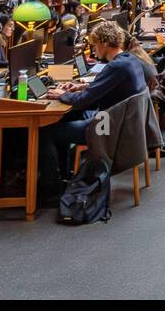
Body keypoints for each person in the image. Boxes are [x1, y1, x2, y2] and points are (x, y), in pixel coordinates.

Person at [40, 22, 147, 198]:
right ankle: (65, 177)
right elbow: (102, 88)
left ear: (105, 43)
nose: (93, 50)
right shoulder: (129, 60)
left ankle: (51, 189)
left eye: (95, 45)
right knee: (68, 118)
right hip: (122, 125)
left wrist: (61, 95)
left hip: (106, 129)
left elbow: (84, 101)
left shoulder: (115, 67)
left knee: (48, 130)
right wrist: (77, 87)